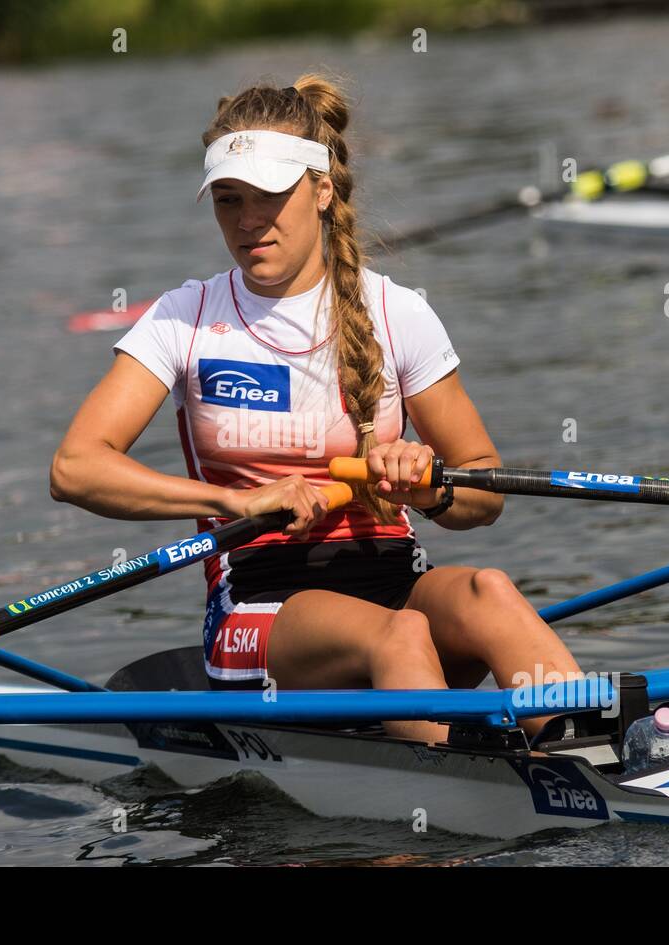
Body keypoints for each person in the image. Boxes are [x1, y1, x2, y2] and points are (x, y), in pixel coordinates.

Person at [50, 75, 578, 744]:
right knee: (400, 634)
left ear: (322, 190)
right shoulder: (185, 318)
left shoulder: (397, 312)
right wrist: (236, 502)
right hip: (258, 611)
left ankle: (590, 751)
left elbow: (483, 487)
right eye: (228, 200)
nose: (247, 222)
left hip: (395, 584)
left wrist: (428, 485)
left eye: (269, 196)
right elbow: (75, 467)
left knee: (489, 592)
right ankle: (461, 800)